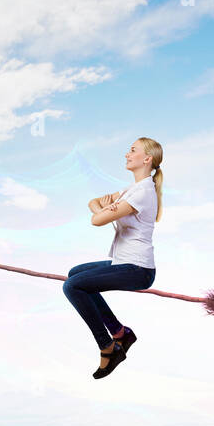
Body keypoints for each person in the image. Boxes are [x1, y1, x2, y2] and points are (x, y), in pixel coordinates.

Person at [62, 137, 164, 379]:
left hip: (138, 269)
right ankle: (120, 333)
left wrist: (104, 211)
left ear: (147, 159)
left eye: (132, 151)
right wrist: (103, 209)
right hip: (124, 262)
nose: (127, 155)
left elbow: (96, 220)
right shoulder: (131, 190)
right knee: (75, 274)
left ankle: (107, 347)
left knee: (73, 286)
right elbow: (93, 204)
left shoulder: (143, 192)